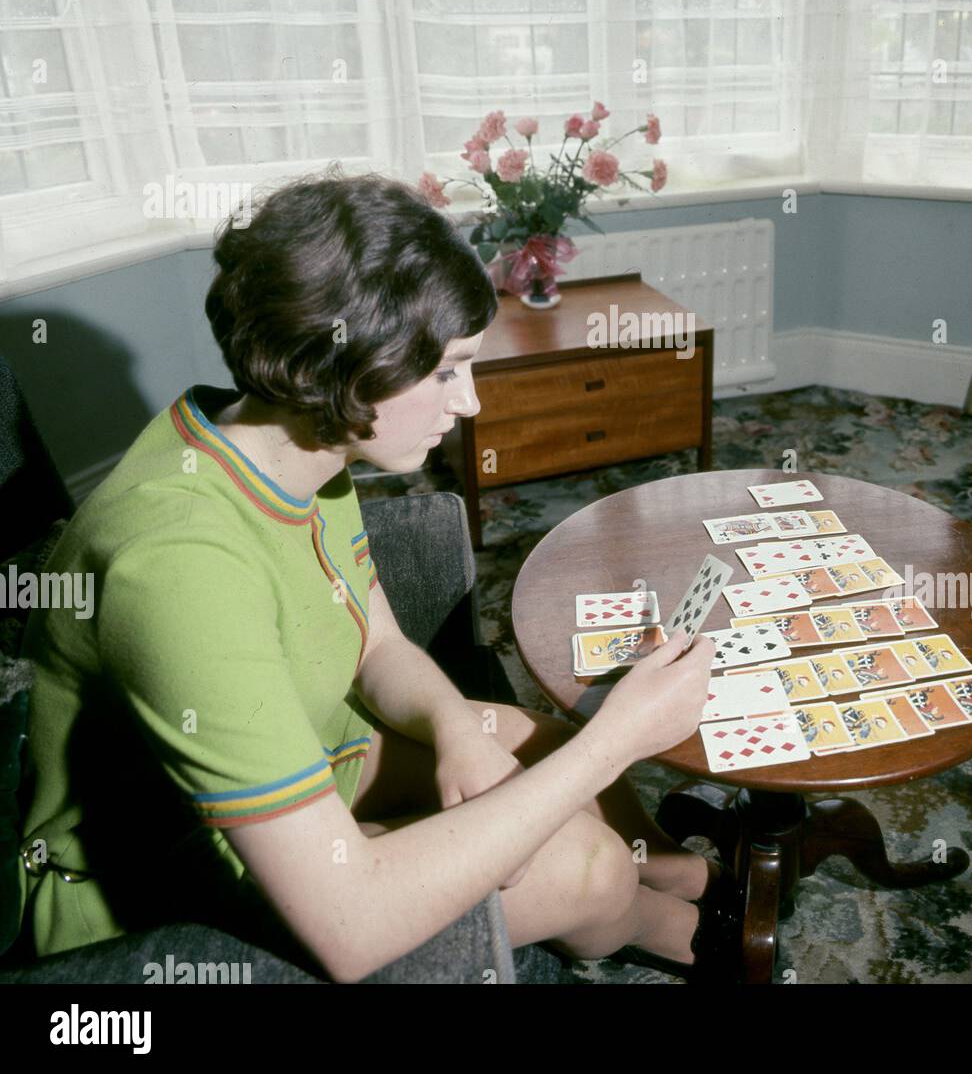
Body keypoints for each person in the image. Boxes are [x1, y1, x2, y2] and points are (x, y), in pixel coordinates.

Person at [16, 172, 732, 983]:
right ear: (352, 363)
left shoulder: (293, 442)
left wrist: (457, 727)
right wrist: (617, 743)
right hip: (162, 877)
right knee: (584, 866)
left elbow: (376, 643)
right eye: (446, 372)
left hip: (310, 755)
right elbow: (349, 929)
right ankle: (698, 939)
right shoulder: (178, 569)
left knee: (536, 739)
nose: (468, 404)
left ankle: (679, 875)